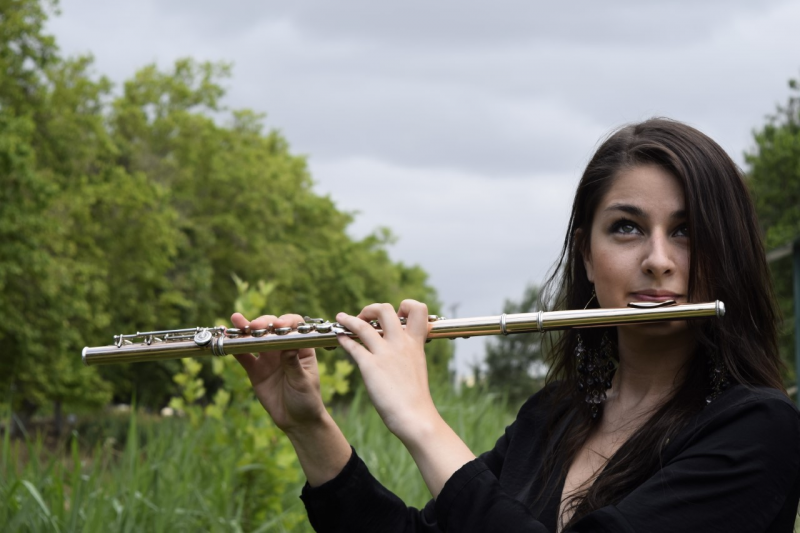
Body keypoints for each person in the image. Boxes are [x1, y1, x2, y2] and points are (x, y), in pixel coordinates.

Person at [231, 118, 800, 532]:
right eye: (627, 228)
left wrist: (420, 420)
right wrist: (311, 428)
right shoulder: (552, 418)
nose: (658, 259)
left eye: (686, 230)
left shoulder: (759, 432)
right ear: (586, 256)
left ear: (727, 252)